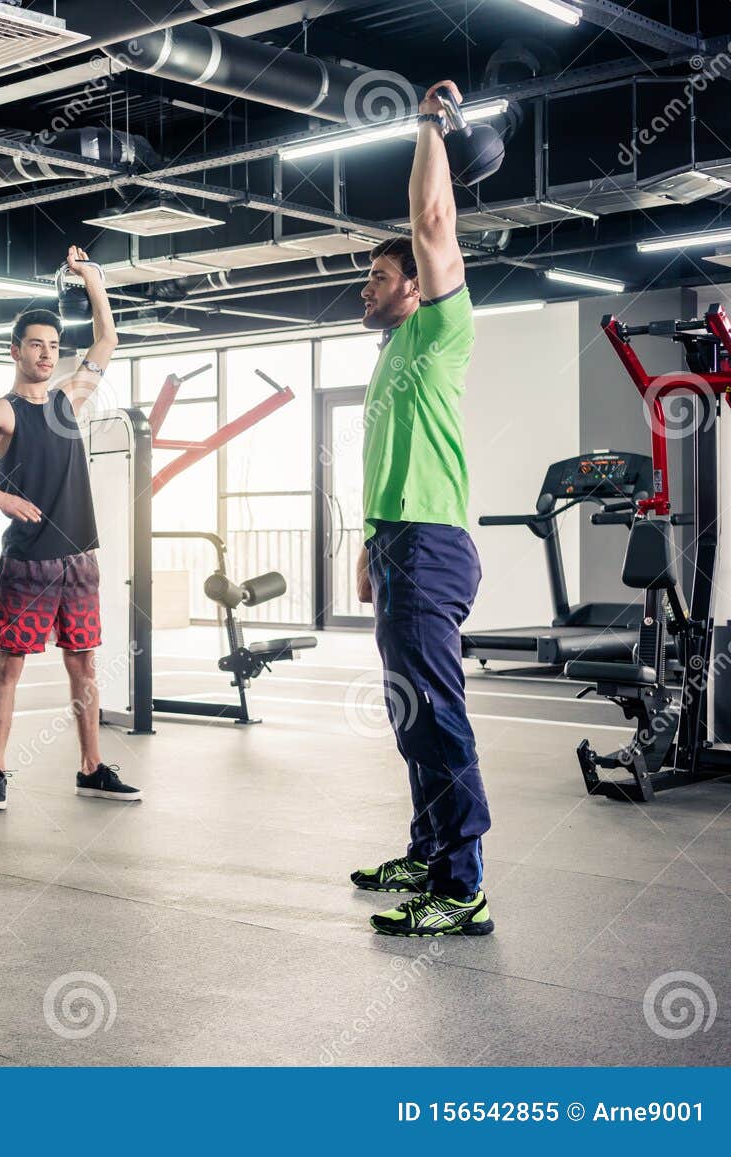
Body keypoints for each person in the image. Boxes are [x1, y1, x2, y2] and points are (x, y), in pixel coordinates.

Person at [348, 80, 493, 937]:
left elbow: (433, 224)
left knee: (436, 711)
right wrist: (370, 541)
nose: (364, 289)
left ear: (415, 290)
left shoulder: (442, 332)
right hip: (400, 541)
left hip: (434, 546)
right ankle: (430, 846)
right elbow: (386, 462)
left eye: (377, 277)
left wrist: (430, 125)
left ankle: (463, 883)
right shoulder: (392, 352)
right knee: (410, 704)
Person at [0, 246, 139, 811]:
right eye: (36, 346)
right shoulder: (2, 412)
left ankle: (91, 767)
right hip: (29, 560)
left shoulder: (69, 400)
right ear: (16, 351)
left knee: (84, 663)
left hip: (80, 558)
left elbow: (108, 340)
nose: (46, 355)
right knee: (10, 667)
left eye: (52, 347)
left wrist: (92, 279)